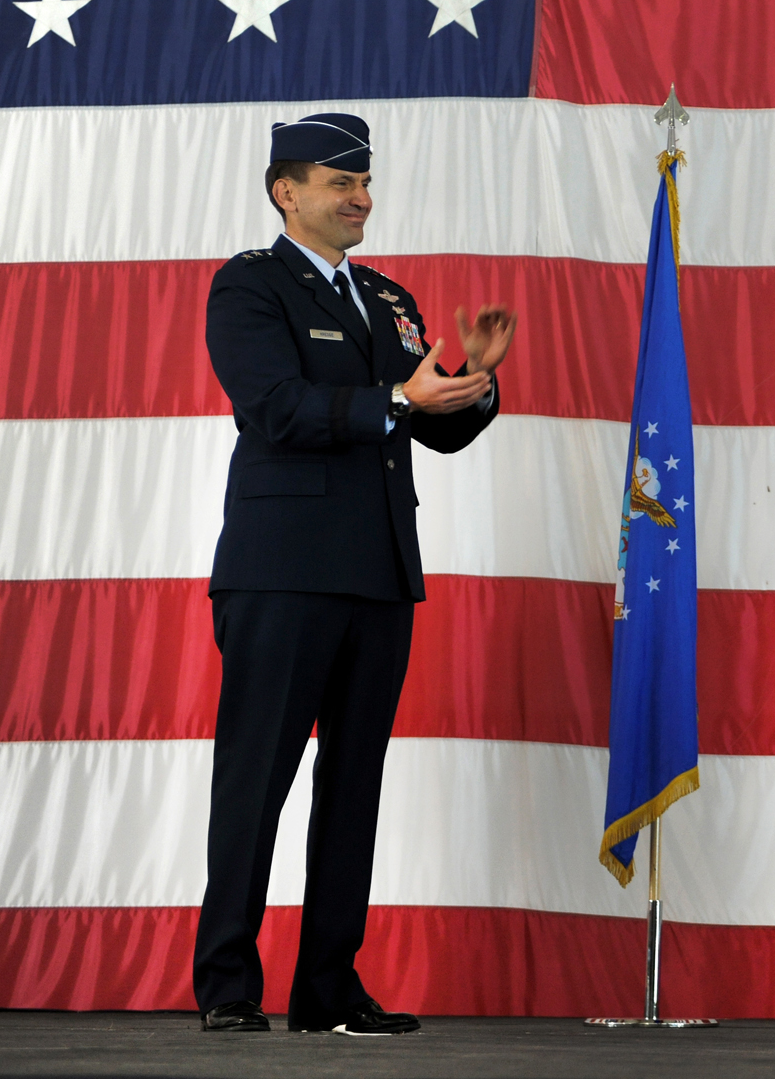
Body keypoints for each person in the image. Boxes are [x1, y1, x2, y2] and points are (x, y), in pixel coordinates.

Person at [193, 113, 517, 1035]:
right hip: (282, 572)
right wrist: (399, 397)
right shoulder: (250, 285)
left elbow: (433, 424)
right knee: (256, 779)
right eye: (342, 183)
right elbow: (276, 407)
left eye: (366, 182)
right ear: (285, 191)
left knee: (353, 786)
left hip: (377, 573)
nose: (362, 198)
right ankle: (228, 984)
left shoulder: (386, 297)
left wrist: (474, 377)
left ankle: (329, 987)